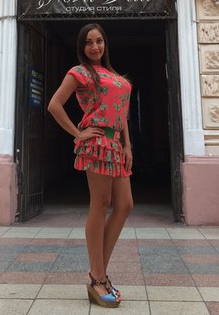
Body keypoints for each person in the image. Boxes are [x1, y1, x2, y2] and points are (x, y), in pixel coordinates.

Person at [48, 23, 133, 308]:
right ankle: (98, 277)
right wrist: (78, 133)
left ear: (105, 43)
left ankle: (98, 272)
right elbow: (54, 105)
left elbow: (121, 113)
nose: (94, 47)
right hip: (97, 143)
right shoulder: (79, 72)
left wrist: (127, 145)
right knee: (101, 203)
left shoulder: (114, 76)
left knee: (125, 205)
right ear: (81, 47)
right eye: (88, 42)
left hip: (116, 144)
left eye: (99, 41)